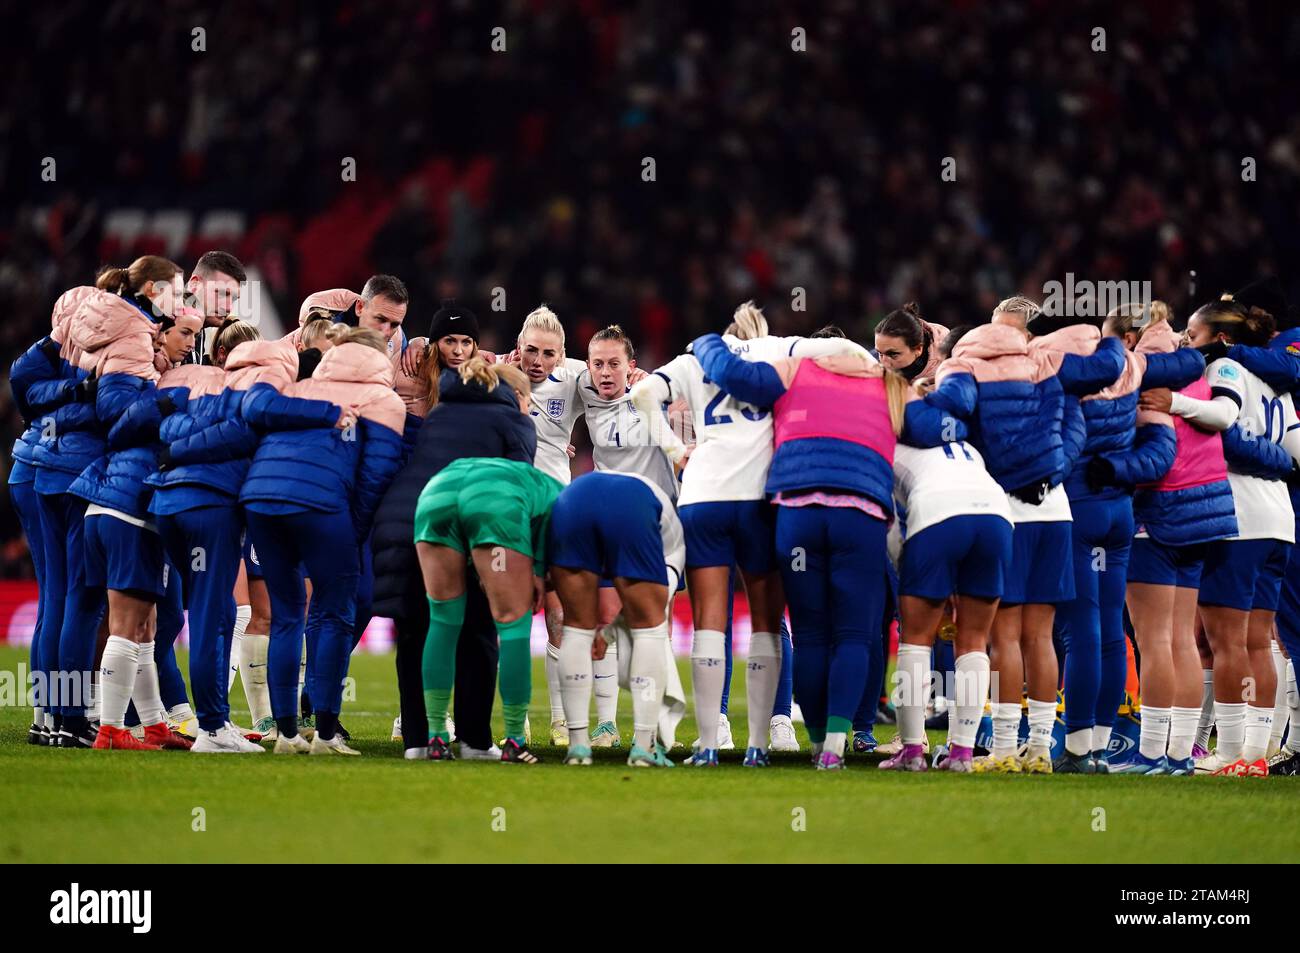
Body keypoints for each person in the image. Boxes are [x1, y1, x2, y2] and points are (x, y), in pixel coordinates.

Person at [690, 329, 951, 769]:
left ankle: (812, 744)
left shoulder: (796, 369)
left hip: (797, 514)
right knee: (853, 634)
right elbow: (935, 429)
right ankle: (833, 745)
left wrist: (707, 341)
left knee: (810, 633)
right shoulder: (889, 384)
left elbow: (731, 374)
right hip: (860, 514)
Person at [631, 302, 870, 765]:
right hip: (761, 499)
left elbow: (642, 394)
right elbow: (847, 350)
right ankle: (758, 745)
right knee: (766, 625)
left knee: (709, 623)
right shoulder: (780, 348)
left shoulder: (692, 359)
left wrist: (677, 451)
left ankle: (706, 746)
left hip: (703, 495)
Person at [924, 296, 1125, 773]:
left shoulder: (964, 362)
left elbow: (950, 414)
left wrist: (924, 394)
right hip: (1055, 508)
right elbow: (1108, 367)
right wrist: (1116, 332)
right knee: (1041, 636)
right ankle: (1039, 750)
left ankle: (1003, 751)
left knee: (1003, 638)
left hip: (1002, 507)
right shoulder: (1049, 361)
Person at [1146, 299, 1300, 775]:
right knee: (1258, 642)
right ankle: (1256, 751)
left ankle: (1232, 751)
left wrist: (1175, 403)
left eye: (1193, 336)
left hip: (1238, 520)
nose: (1189, 346)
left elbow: (1224, 422)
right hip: (1279, 521)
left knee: (1227, 641)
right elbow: (1295, 451)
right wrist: (1273, 461)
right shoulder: (1280, 387)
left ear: (1221, 338)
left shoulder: (1225, 370)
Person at [242, 327, 406, 756]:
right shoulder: (383, 399)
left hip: (260, 498)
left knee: (285, 616)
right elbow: (377, 473)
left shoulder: (302, 385)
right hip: (321, 502)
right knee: (334, 613)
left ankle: (285, 734)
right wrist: (352, 531)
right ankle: (327, 735)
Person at [372, 347, 536, 761]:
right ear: (515, 395)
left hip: (402, 520)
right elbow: (512, 489)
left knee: (416, 633)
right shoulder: (513, 420)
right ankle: (474, 740)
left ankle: (417, 741)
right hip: (462, 524)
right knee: (478, 630)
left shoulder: (440, 413)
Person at [59, 259, 195, 751]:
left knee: (144, 625)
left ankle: (154, 722)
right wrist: (167, 404)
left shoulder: (135, 353)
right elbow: (116, 415)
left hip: (109, 503)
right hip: (127, 510)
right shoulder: (137, 360)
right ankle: (111, 729)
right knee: (123, 623)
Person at [1104, 308, 1237, 774]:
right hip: (1207, 513)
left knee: (1155, 639)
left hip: (1160, 514)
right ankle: (1179, 755)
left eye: (1113, 342)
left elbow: (1150, 454)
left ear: (1132, 337)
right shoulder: (1192, 368)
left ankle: (1152, 752)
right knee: (1180, 638)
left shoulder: (1145, 378)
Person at [414, 359, 562, 764]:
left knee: (443, 622)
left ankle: (434, 737)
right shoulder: (548, 483)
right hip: (492, 504)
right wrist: (536, 573)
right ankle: (514, 740)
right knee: (512, 626)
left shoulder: (445, 412)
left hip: (435, 496)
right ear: (518, 398)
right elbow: (548, 525)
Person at [880, 435, 1012, 773]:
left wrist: (907, 576)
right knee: (973, 639)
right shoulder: (965, 439)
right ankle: (962, 754)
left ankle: (911, 752)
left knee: (917, 637)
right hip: (996, 514)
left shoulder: (892, 442)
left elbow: (894, 531)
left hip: (938, 510)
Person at [550, 469, 684, 766]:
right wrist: (617, 629)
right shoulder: (674, 538)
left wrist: (607, 632)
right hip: (631, 506)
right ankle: (644, 747)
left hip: (572, 499)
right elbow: (655, 608)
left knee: (576, 630)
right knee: (650, 630)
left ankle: (578, 747)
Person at [508, 305, 588, 745]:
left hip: (557, 505)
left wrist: (635, 375)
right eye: (531, 351)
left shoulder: (576, 375)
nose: (538, 361)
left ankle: (561, 719)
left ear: (562, 355)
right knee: (513, 609)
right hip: (512, 506)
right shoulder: (499, 375)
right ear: (518, 348)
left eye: (548, 353)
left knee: (558, 611)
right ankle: (517, 719)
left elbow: (617, 371)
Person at [873, 302, 947, 385]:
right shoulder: (871, 362)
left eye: (893, 354)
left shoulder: (953, 360)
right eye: (880, 353)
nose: (884, 363)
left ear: (918, 349)